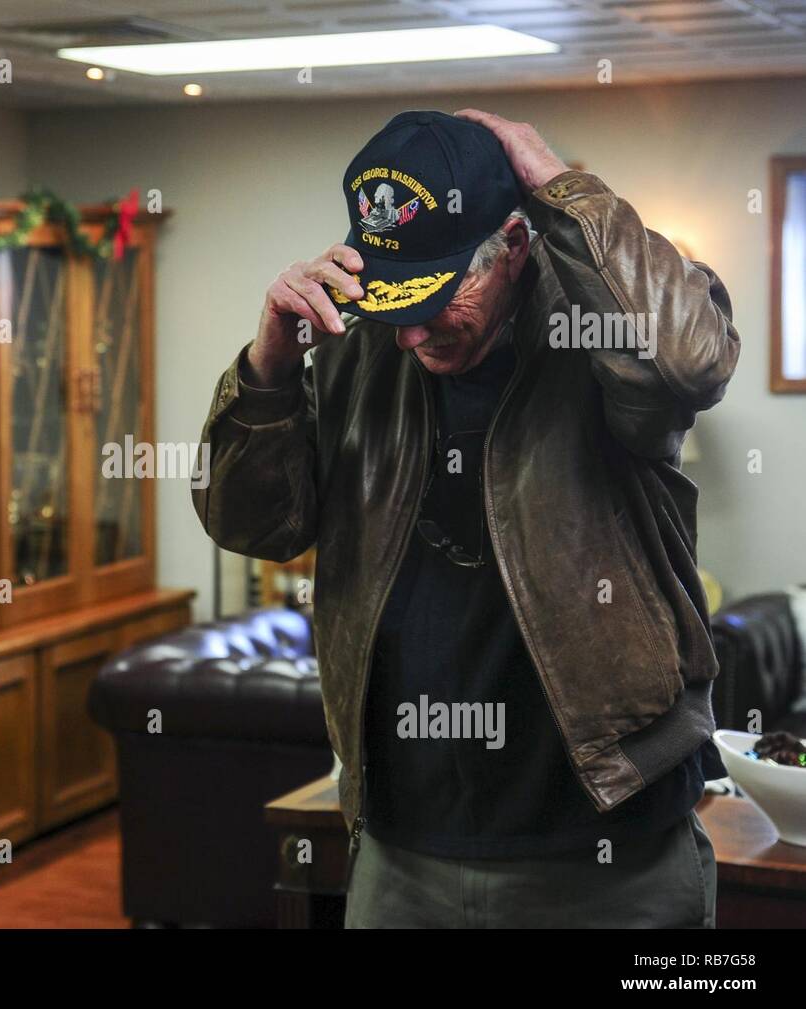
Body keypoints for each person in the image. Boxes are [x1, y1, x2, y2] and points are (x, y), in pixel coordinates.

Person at [192, 109, 740, 929]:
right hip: (405, 850)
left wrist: (564, 185)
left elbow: (691, 361)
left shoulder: (595, 336)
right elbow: (250, 525)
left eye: (443, 297)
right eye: (395, 299)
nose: (413, 332)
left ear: (514, 245)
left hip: (607, 850)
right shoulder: (356, 343)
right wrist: (268, 365)